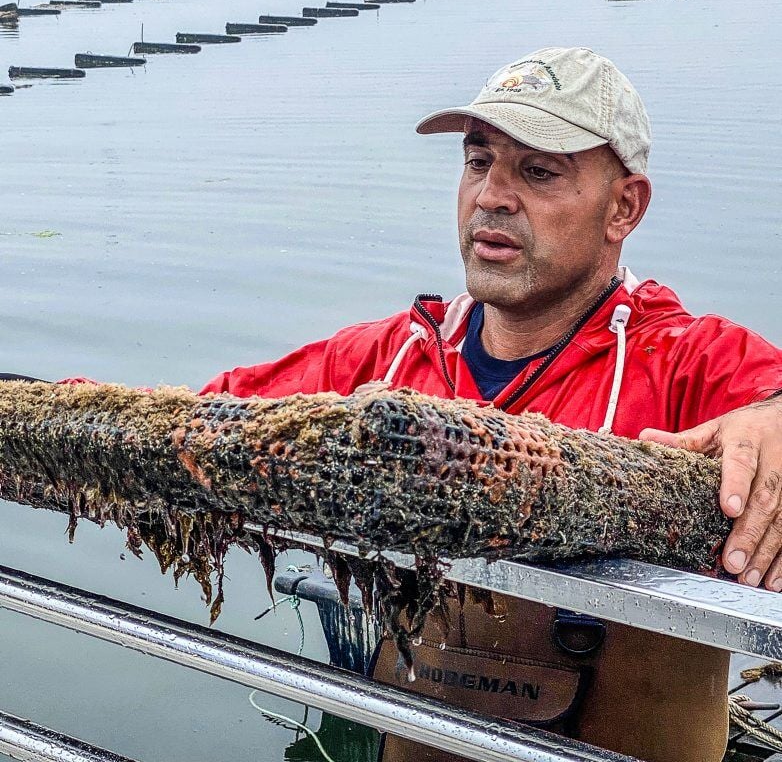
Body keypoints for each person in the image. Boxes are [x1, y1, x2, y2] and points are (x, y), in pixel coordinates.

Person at [201, 47, 782, 762]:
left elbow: (769, 405)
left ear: (623, 206)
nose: (491, 197)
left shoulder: (690, 362)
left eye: (537, 172)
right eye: (479, 162)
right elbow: (203, 418)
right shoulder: (393, 361)